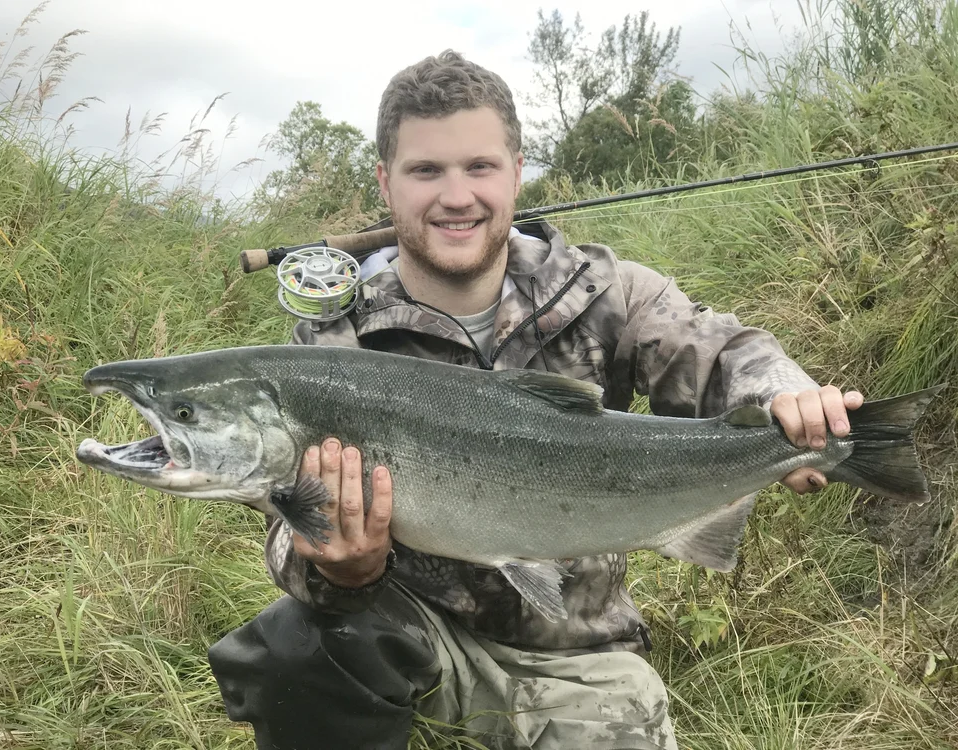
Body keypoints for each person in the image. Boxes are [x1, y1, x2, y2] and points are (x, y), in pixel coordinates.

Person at [207, 50, 864, 750]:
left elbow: (722, 351)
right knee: (294, 647)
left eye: (479, 167)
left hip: (576, 658)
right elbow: (284, 531)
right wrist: (339, 566)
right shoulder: (335, 343)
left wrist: (787, 400)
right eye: (425, 170)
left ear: (517, 172)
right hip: (410, 642)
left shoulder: (605, 290)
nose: (455, 197)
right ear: (386, 183)